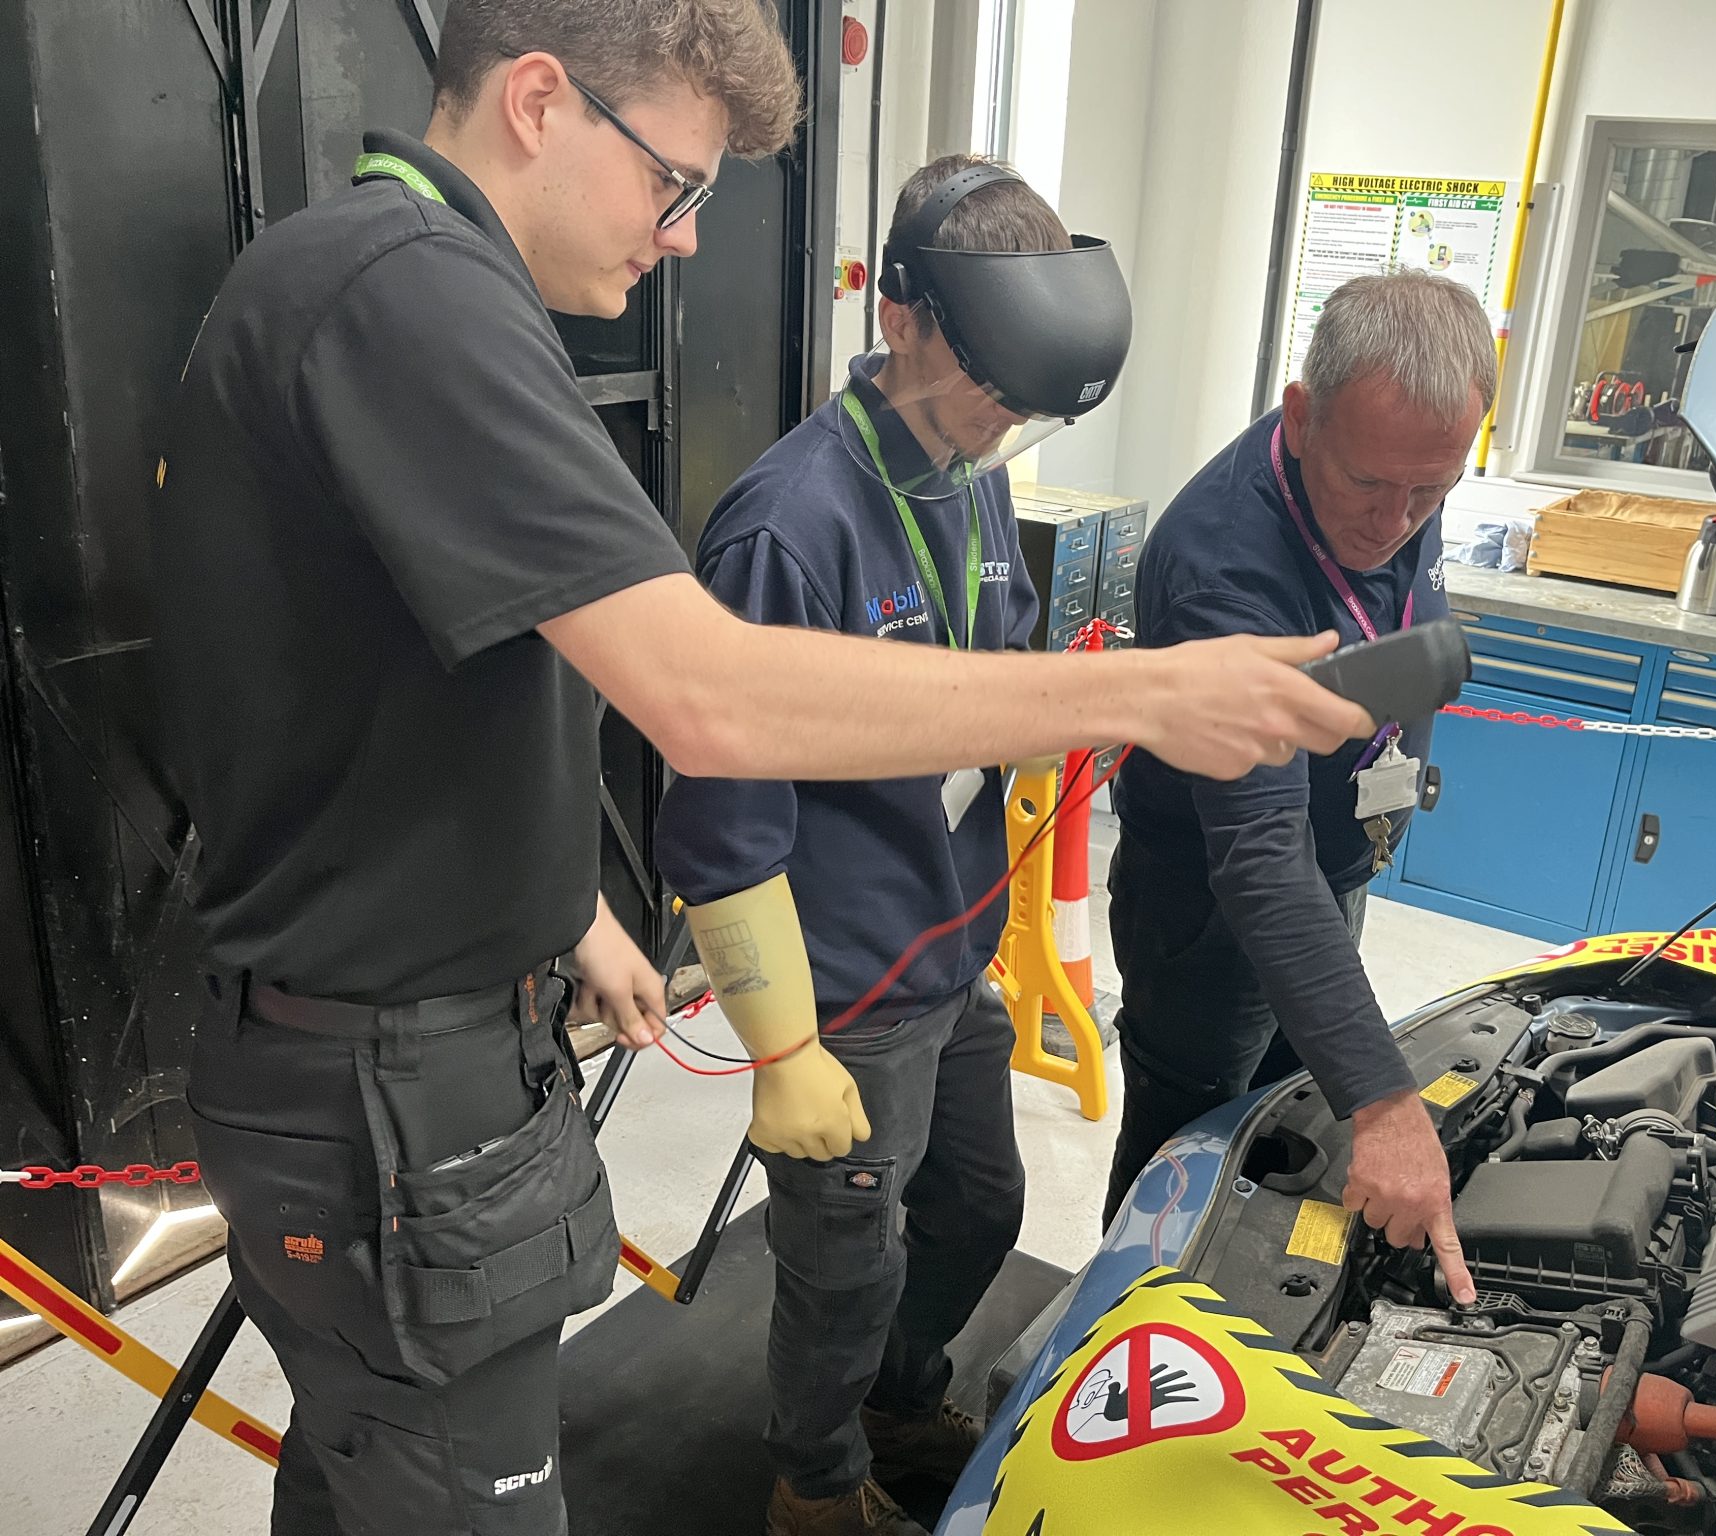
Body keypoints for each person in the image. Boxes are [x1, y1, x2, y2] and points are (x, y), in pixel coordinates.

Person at [149, 2, 1374, 1531]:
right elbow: (706, 703)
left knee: (362, 1480)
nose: (678, 241)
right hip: (390, 1095)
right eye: (675, 185)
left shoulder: (378, 287)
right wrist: (1151, 691)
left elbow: (382, 698)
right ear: (539, 102)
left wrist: (566, 913)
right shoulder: (410, 291)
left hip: (387, 1050)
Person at [656, 154, 1104, 1536]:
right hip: (842, 977)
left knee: (979, 1199)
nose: (1005, 417)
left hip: (944, 943)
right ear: (901, 316)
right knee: (844, 1261)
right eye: (992, 380)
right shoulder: (792, 528)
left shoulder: (967, 474)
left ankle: (902, 1403)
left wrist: (1082, 712)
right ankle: (816, 1485)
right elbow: (719, 827)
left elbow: (997, 675)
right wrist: (782, 1051)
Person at [1101, 270, 1488, 1306]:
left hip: (1328, 867)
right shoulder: (1225, 566)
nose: (1396, 522)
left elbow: (1397, 621)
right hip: (1212, 910)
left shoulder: (1395, 470)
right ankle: (1120, 1346)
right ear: (1302, 416)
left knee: (1286, 1121)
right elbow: (1256, 858)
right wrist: (1386, 1104)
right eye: (1370, 487)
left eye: (1430, 493)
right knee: (1180, 1156)